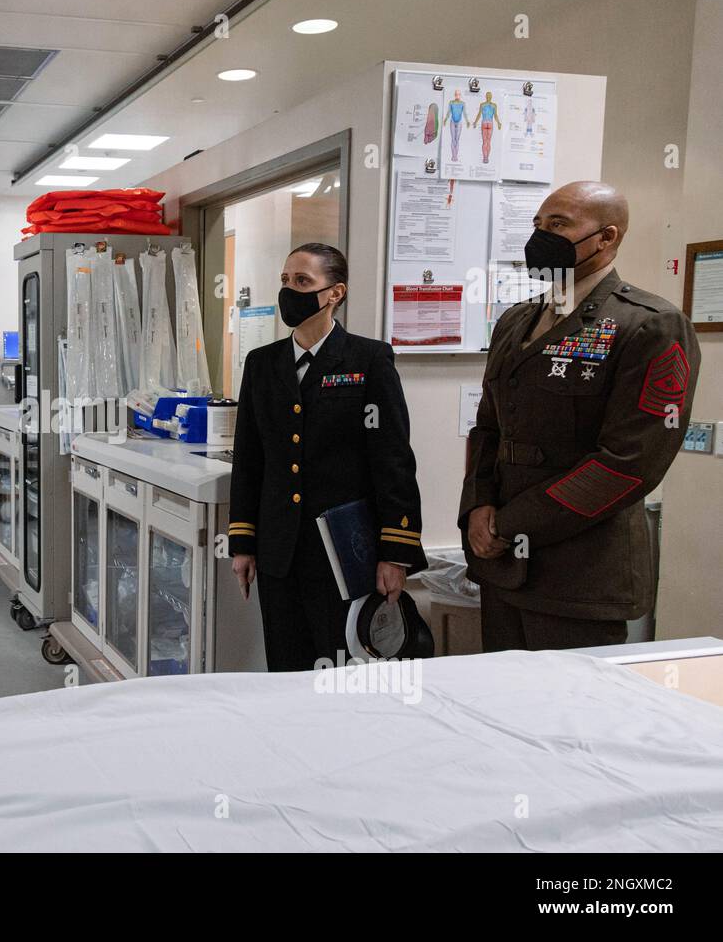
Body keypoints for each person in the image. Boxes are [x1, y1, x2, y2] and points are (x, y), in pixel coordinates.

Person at [460, 181, 700, 651]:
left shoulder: (649, 324)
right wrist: (477, 506)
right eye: (537, 225)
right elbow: (489, 425)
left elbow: (629, 464)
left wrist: (511, 524)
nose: (540, 236)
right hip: (502, 566)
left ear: (606, 237)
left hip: (581, 573)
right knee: (499, 710)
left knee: (568, 720)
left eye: (558, 225)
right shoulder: (516, 319)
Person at [228, 243, 427, 671]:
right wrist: (242, 542)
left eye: (302, 281)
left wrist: (395, 553)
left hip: (345, 553)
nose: (290, 291)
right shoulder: (262, 364)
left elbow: (392, 460)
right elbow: (249, 459)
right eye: (285, 281)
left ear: (335, 293)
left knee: (341, 668)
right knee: (285, 665)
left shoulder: (368, 359)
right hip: (280, 549)